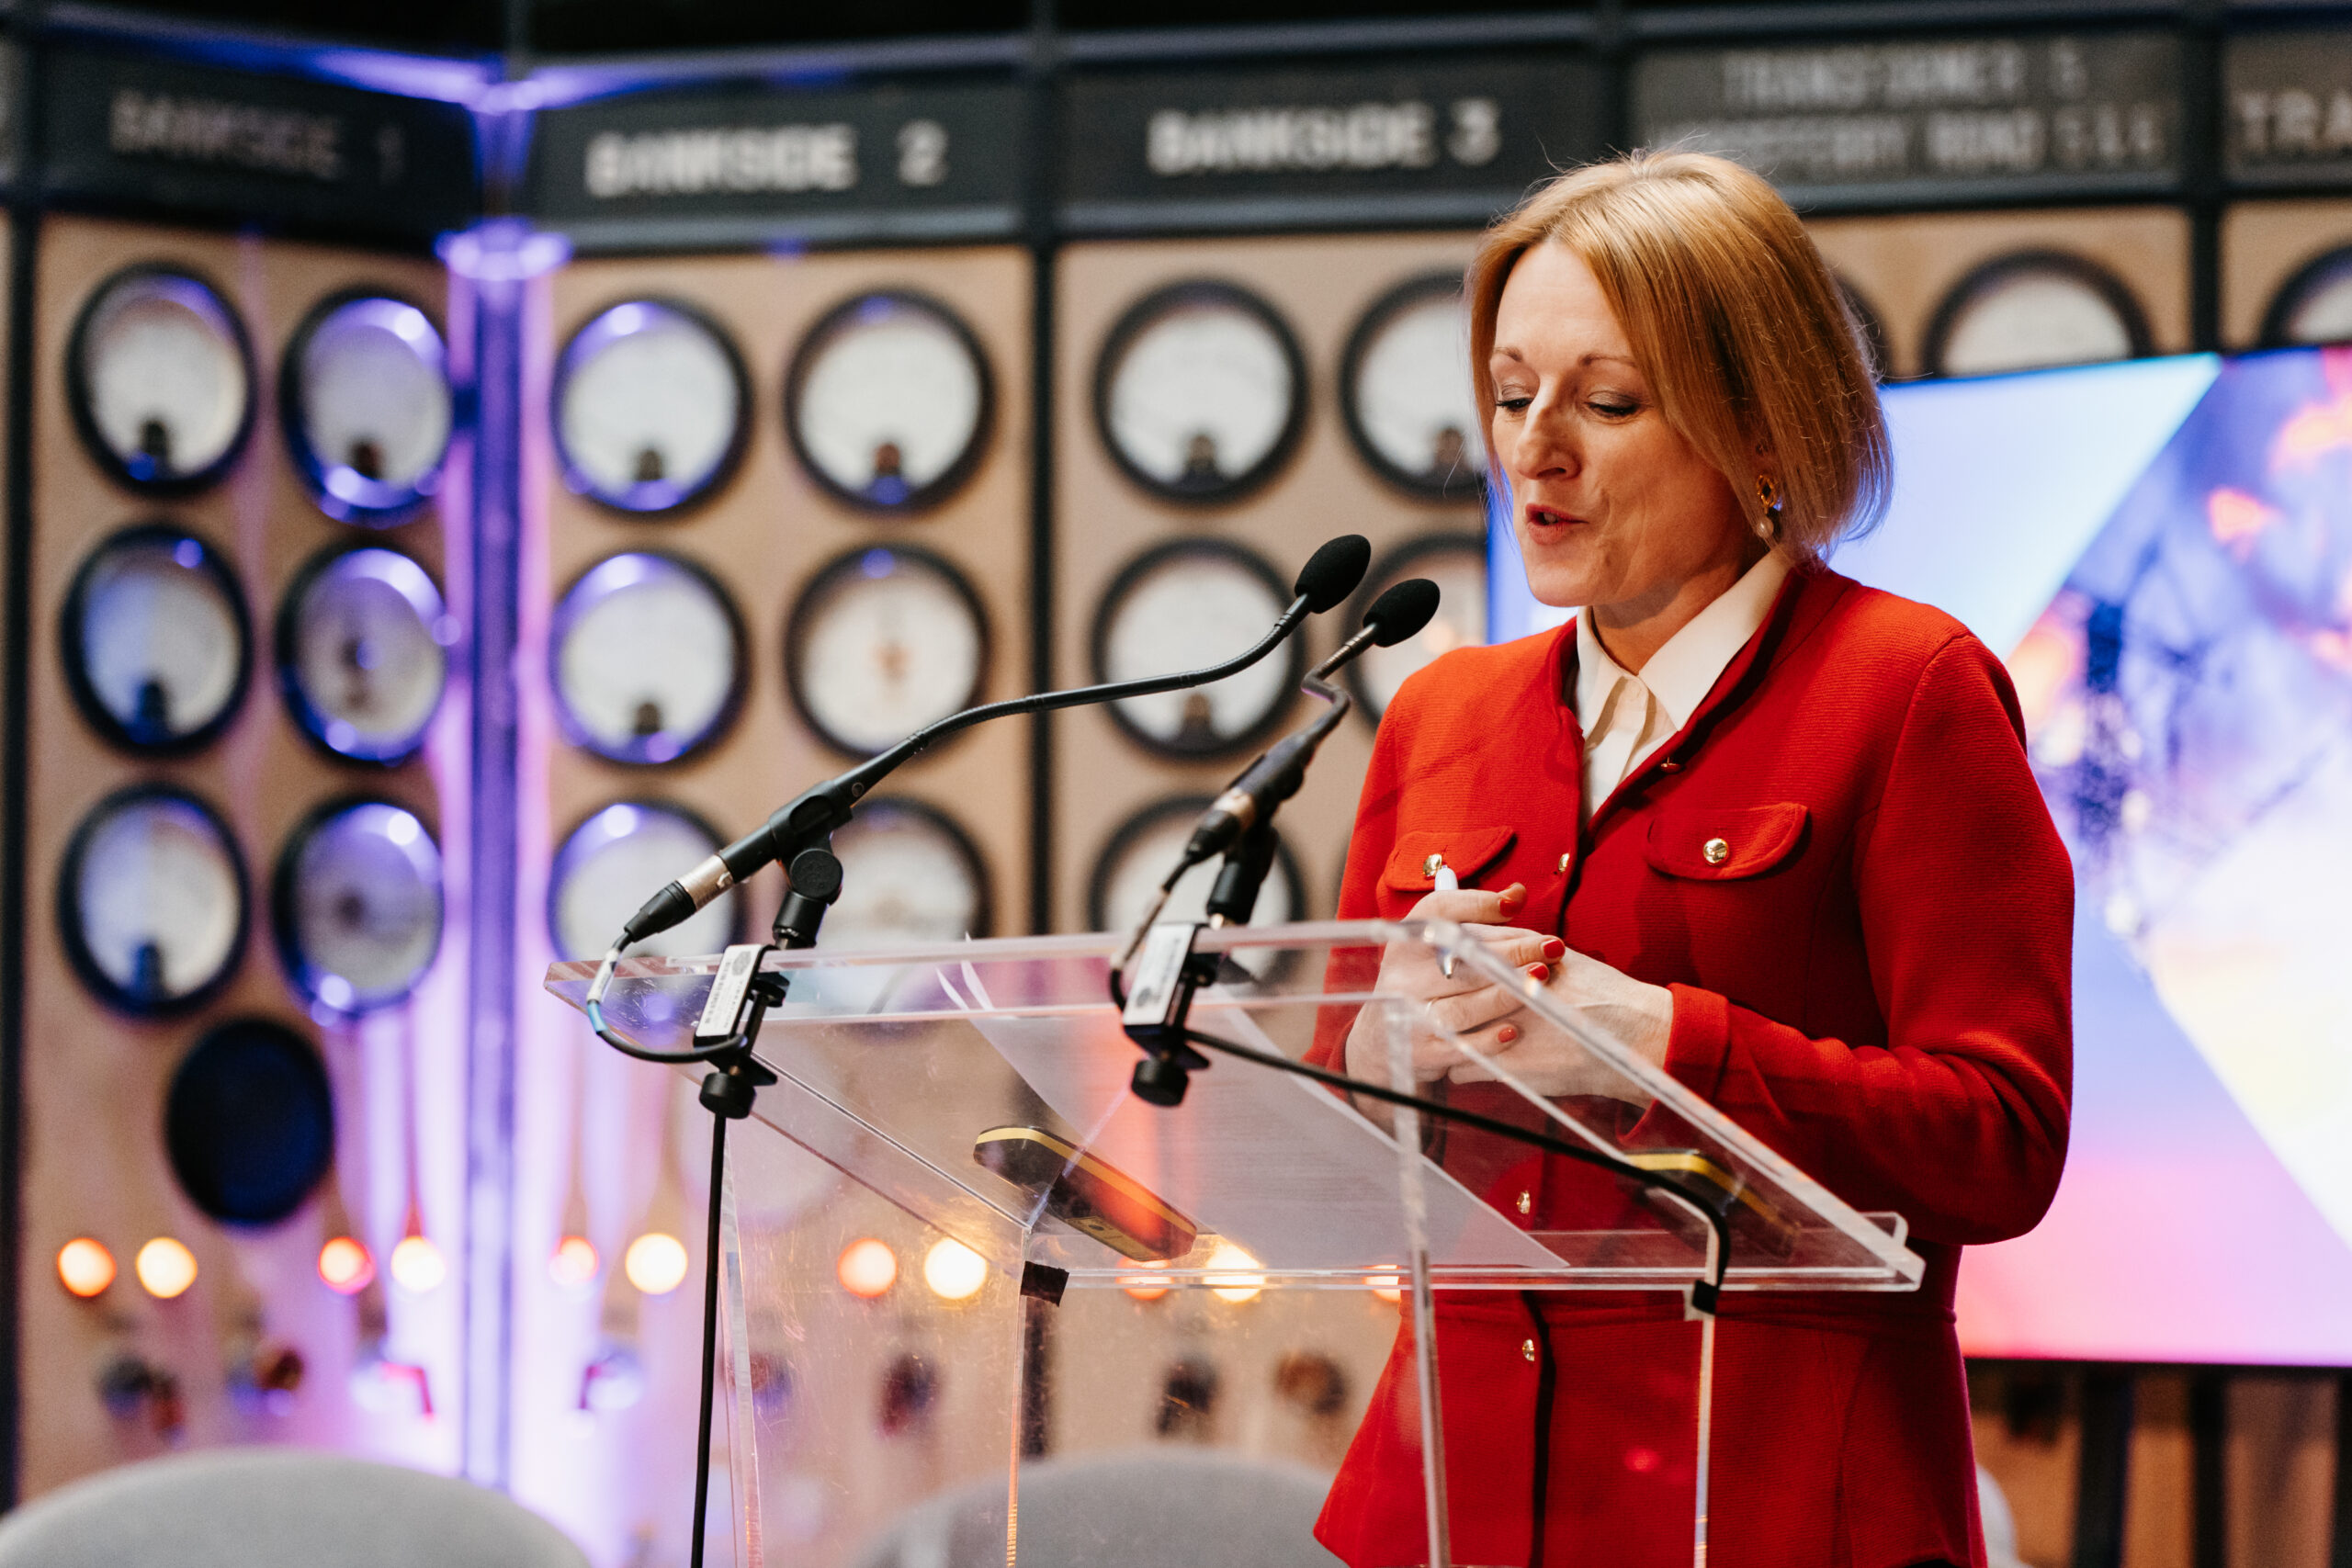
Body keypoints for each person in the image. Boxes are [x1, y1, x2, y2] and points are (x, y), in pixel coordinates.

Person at [1307, 151, 2074, 1568]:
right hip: (1449, 1512)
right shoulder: (1440, 714)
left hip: (1777, 1510)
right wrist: (1372, 1057)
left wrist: (1654, 1041)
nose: (1537, 447)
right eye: (1510, 391)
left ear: (1767, 430)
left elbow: (2004, 1142)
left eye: (1606, 402)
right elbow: (1355, 1143)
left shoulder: (1909, 690)